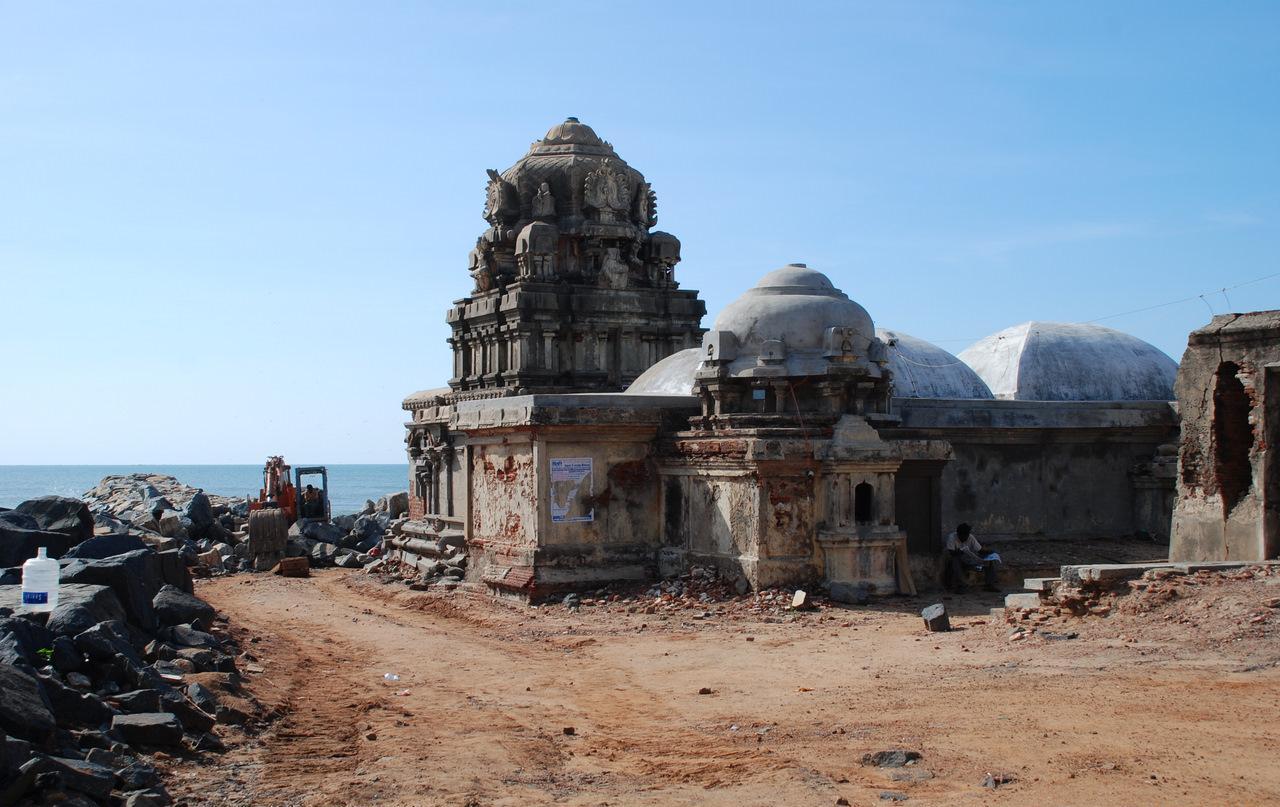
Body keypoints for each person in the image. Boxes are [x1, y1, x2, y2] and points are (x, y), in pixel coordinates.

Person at [944, 523, 1000, 592]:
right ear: (958, 534)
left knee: (988, 560)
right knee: (955, 560)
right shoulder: (952, 537)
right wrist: (959, 552)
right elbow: (951, 553)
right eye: (962, 536)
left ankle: (990, 584)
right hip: (959, 562)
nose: (965, 538)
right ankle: (961, 585)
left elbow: (980, 550)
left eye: (966, 536)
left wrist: (989, 552)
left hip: (970, 560)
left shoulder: (970, 537)